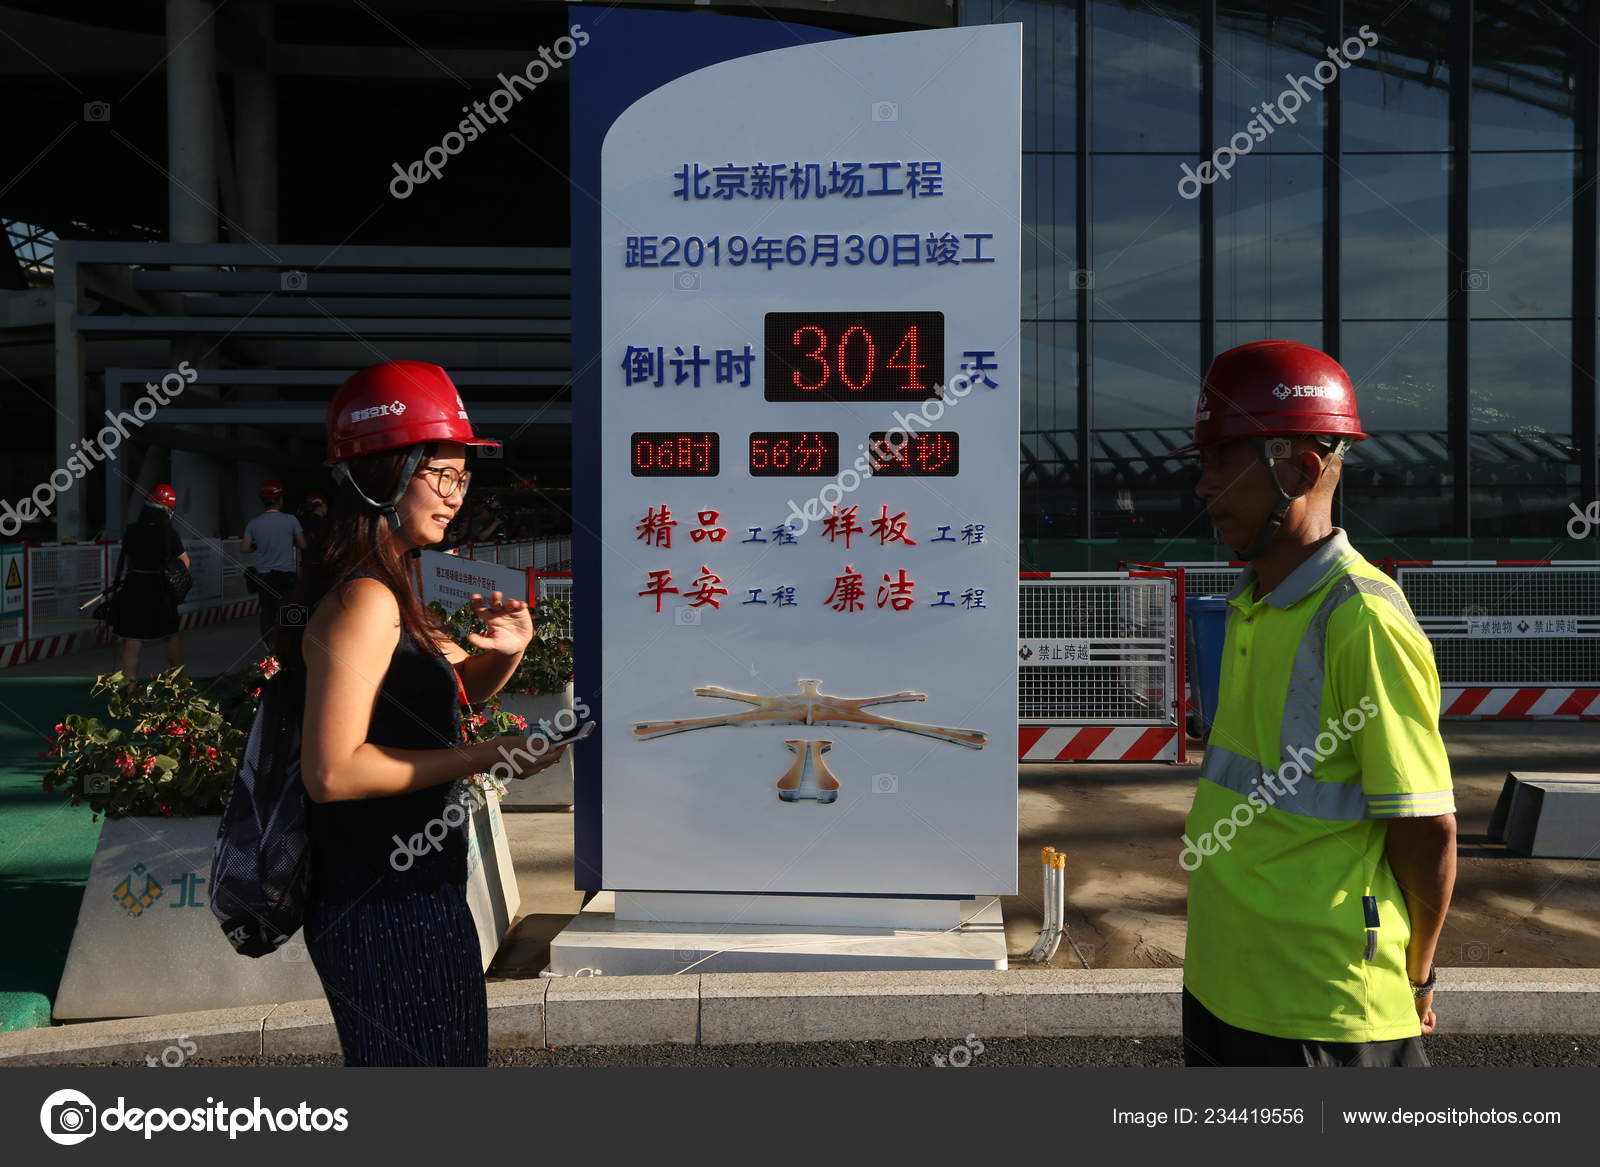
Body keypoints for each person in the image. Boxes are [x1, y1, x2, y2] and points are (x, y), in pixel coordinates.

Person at [282, 359, 570, 1067]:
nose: (455, 494)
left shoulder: (391, 581)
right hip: (382, 905)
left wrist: (506, 654)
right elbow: (333, 771)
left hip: (416, 892)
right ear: (382, 472)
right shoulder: (366, 599)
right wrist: (487, 755)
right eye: (440, 472)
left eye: (462, 477)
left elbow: (415, 714)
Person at [1179, 340, 1457, 1068]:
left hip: (1323, 1009)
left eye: (1220, 463)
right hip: (1222, 983)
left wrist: (1418, 976)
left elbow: (1426, 827)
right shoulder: (1252, 605)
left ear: (1298, 468)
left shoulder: (1362, 621)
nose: (1204, 487)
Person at [110, 484, 191, 677]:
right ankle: (177, 687)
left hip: (134, 588)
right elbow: (185, 563)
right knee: (171, 637)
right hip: (160, 590)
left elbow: (128, 562)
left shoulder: (132, 530)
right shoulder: (168, 532)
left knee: (133, 641)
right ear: (168, 509)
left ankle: (129, 691)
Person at [242, 480, 304, 644]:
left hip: (264, 578)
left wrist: (259, 545)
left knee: (267, 615)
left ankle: (269, 652)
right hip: (286, 577)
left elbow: (245, 548)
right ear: (280, 500)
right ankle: (289, 650)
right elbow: (303, 544)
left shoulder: (253, 523)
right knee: (290, 614)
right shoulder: (291, 520)